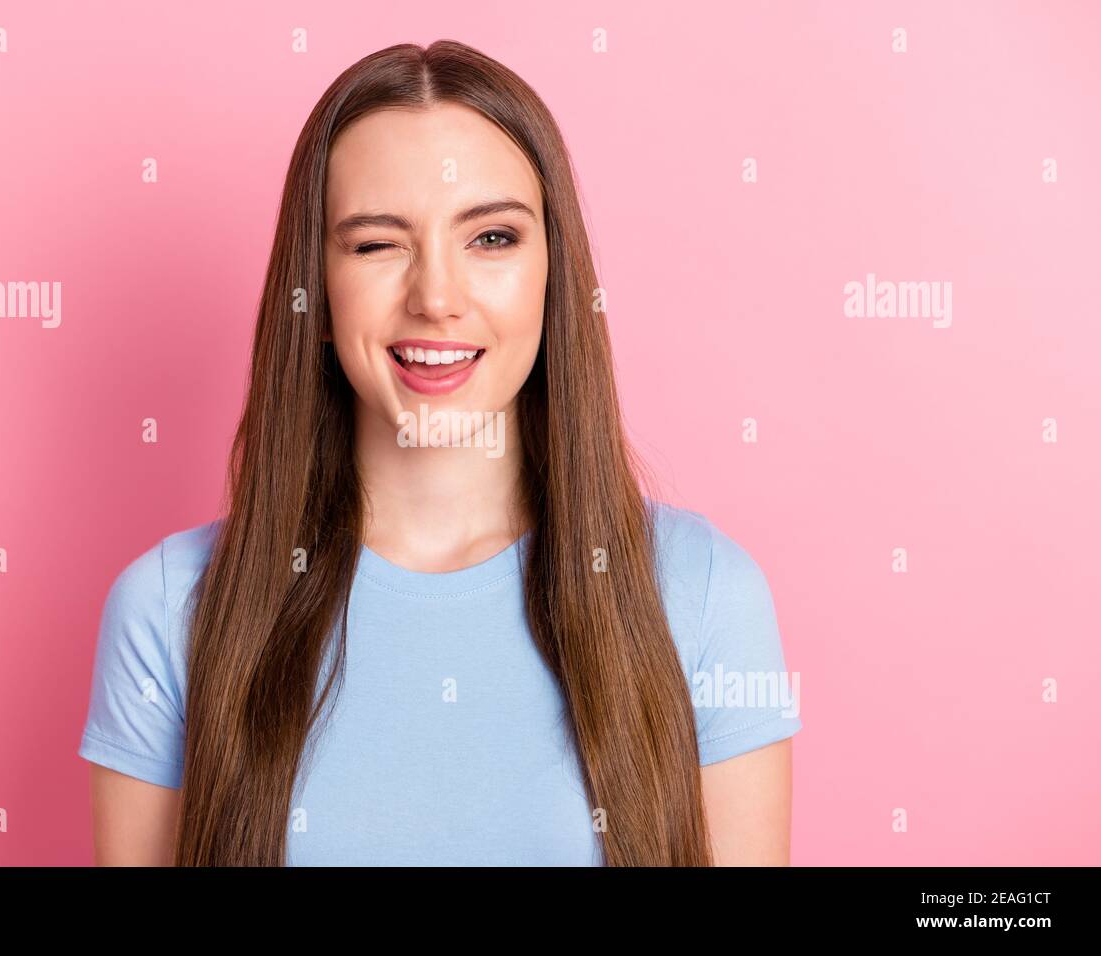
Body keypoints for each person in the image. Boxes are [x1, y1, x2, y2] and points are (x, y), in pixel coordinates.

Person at [78, 39, 801, 866]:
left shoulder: (706, 596)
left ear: (551, 275)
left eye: (491, 239)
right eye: (376, 244)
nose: (436, 297)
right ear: (312, 290)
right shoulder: (168, 612)